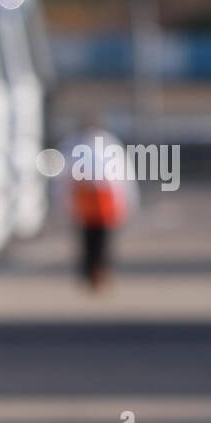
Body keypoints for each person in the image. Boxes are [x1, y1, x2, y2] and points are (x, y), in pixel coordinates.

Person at [60, 114, 136, 291]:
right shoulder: (79, 143)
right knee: (90, 237)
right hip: (87, 196)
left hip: (101, 197)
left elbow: (121, 174)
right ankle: (91, 271)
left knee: (99, 237)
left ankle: (98, 271)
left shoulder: (104, 143)